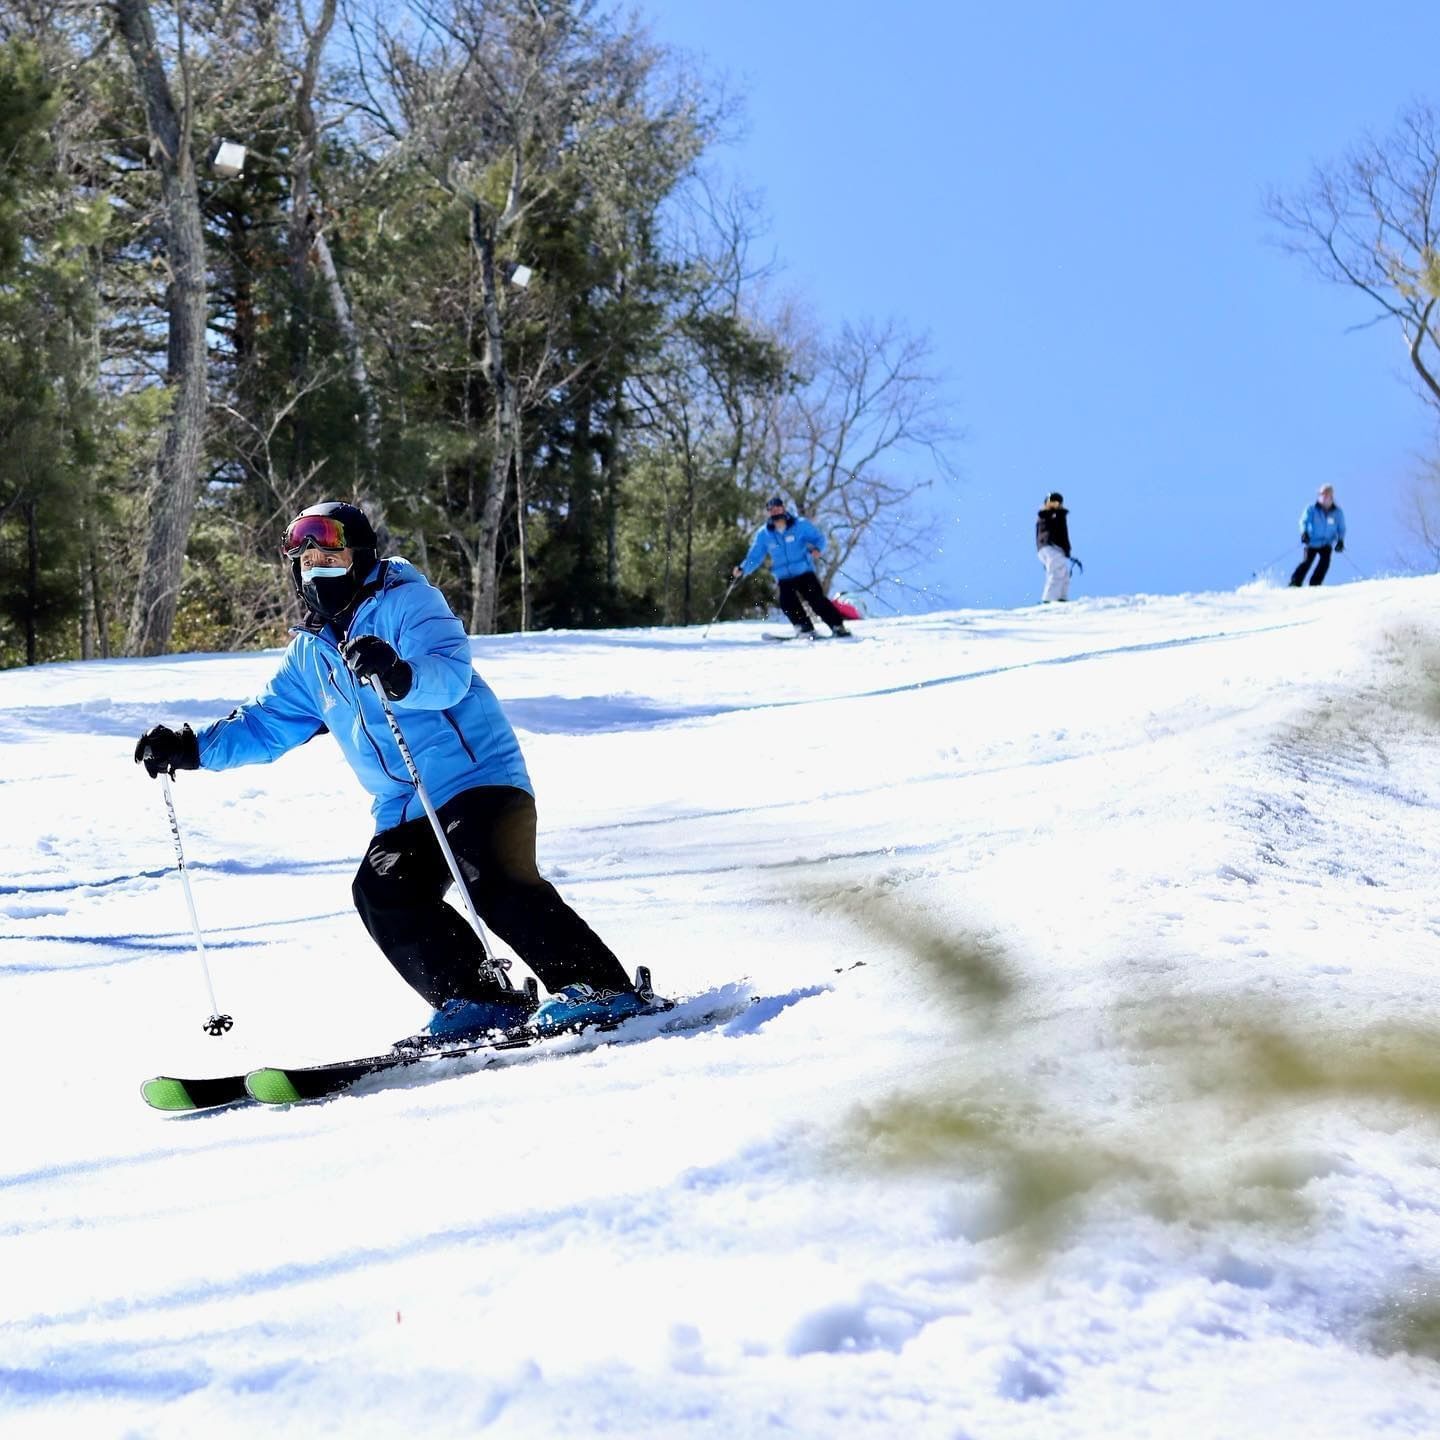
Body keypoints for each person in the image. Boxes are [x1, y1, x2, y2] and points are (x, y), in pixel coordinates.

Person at [133, 500, 643, 1041]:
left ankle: (600, 988)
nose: (317, 566)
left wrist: (399, 673)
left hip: (479, 781)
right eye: (306, 557)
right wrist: (193, 748)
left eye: (330, 553)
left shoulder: (407, 601)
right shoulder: (310, 655)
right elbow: (266, 723)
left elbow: (450, 672)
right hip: (403, 806)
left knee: (490, 879)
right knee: (383, 893)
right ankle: (477, 998)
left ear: (361, 556)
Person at [732, 496, 853, 638]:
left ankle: (837, 625)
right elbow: (755, 555)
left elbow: (819, 538)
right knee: (787, 603)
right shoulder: (764, 534)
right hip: (784, 575)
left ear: (783, 508)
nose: (775, 513)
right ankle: (805, 629)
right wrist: (743, 568)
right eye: (771, 510)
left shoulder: (800, 525)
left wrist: (817, 549)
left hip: (803, 571)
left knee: (816, 599)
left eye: (777, 509)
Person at [1290, 485, 1346, 587]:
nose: (1324, 498)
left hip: (1326, 543)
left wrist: (1340, 541)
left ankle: (1315, 584)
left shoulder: (1337, 513)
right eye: (1322, 495)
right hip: (1312, 541)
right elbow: (1304, 521)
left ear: (1332, 497)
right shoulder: (1311, 509)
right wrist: (1304, 533)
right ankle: (1295, 582)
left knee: (1325, 562)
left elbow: (1341, 528)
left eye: (1327, 495)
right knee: (1307, 562)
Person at [1035, 492, 1076, 603]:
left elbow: (1064, 535)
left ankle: (1062, 598)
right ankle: (1048, 599)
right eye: (1051, 502)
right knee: (1056, 572)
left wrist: (1067, 551)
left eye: (1056, 503)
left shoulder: (1059, 515)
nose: (1053, 505)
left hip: (1057, 548)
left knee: (1064, 573)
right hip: (1050, 546)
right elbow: (1046, 523)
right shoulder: (1047, 515)